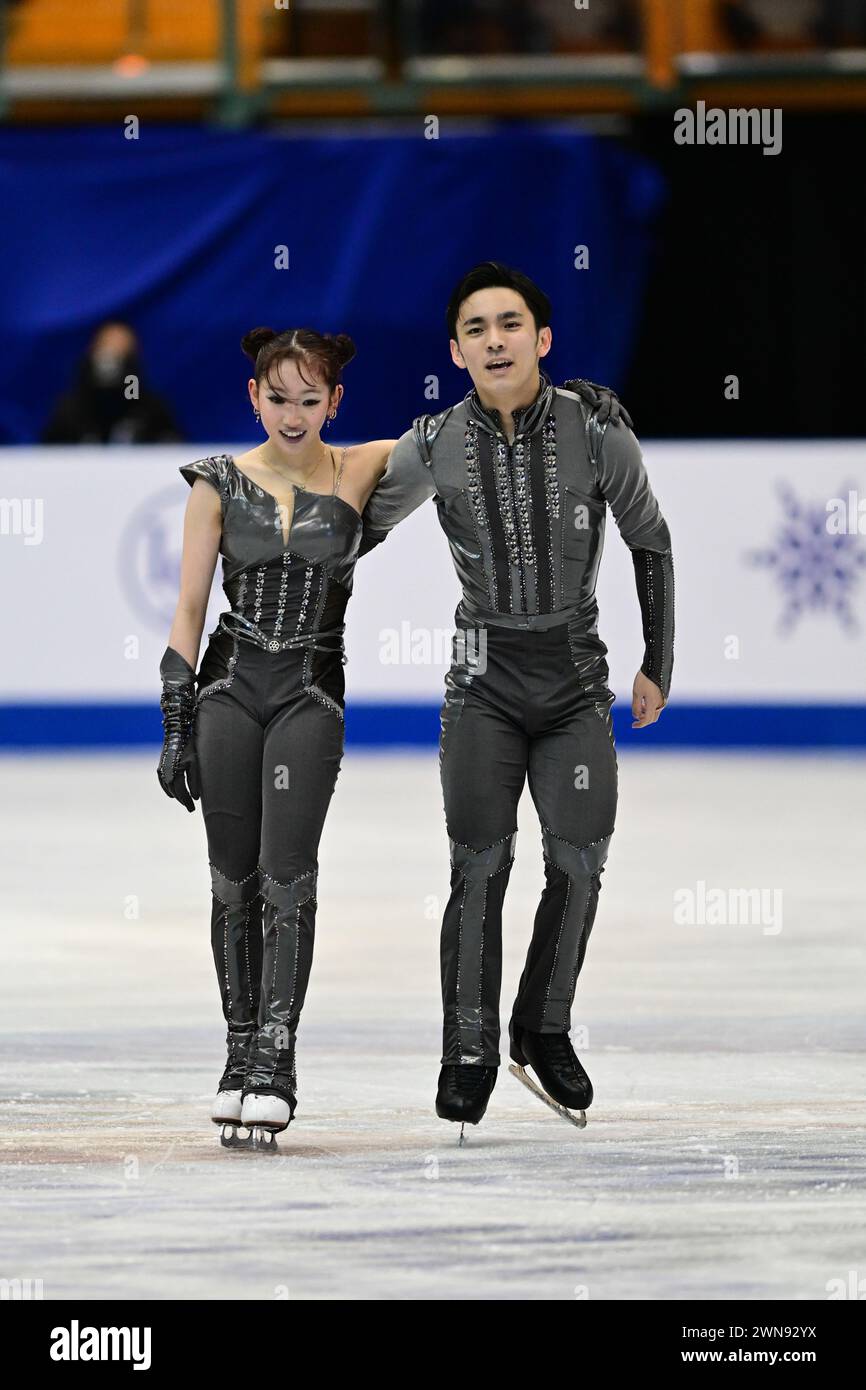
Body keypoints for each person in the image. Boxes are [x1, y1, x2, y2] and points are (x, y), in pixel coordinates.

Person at [157, 319, 625, 1148]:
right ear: (253, 396)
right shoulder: (215, 483)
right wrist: (174, 716)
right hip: (229, 692)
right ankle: (237, 1054)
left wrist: (562, 403)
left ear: (334, 400)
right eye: (278, 398)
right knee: (230, 880)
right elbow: (190, 609)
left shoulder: (366, 463)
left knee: (285, 875)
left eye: (310, 398)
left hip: (310, 694)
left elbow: (459, 427)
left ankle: (275, 1061)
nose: (293, 414)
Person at [358, 261, 674, 1130]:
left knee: (578, 858)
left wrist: (660, 665)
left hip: (574, 682)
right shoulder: (433, 444)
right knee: (478, 863)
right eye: (475, 329)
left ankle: (543, 1026)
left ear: (541, 340)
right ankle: (468, 1048)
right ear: (456, 351)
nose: (493, 341)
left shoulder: (597, 429)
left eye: (509, 325)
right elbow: (359, 528)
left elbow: (651, 538)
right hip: (482, 684)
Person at [42, 321, 182, 444]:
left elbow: (172, 450)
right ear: (92, 352)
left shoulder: (150, 411)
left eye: (121, 354)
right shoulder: (70, 411)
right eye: (106, 350)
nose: (111, 364)